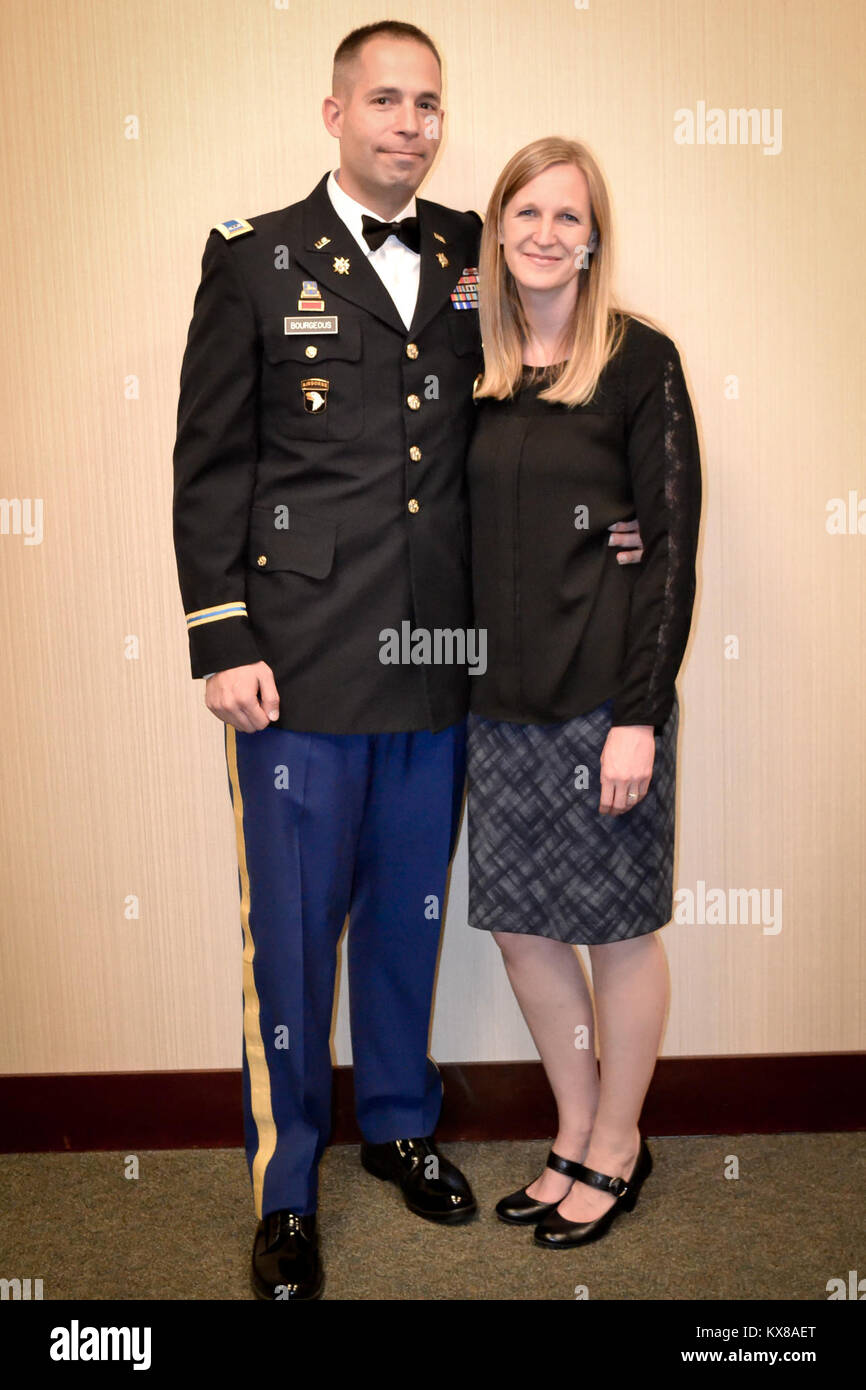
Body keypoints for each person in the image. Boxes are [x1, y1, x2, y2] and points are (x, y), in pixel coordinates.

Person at [172, 23, 642, 1299]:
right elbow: (210, 459)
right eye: (385, 100)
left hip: (439, 661)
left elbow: (536, 395)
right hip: (298, 666)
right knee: (292, 934)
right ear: (333, 114)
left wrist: (611, 521)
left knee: (405, 922)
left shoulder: (466, 260)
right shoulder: (252, 259)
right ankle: (285, 1184)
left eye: (429, 105)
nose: (410, 124)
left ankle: (394, 1121)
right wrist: (222, 634)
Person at [465, 136, 702, 1248]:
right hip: (497, 704)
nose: (546, 234)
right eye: (527, 213)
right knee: (520, 928)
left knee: (614, 933)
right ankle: (571, 1130)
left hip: (606, 704)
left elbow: (662, 547)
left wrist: (639, 716)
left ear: (592, 236)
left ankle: (618, 1142)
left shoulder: (639, 360)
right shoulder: (477, 372)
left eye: (568, 216)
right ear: (498, 229)